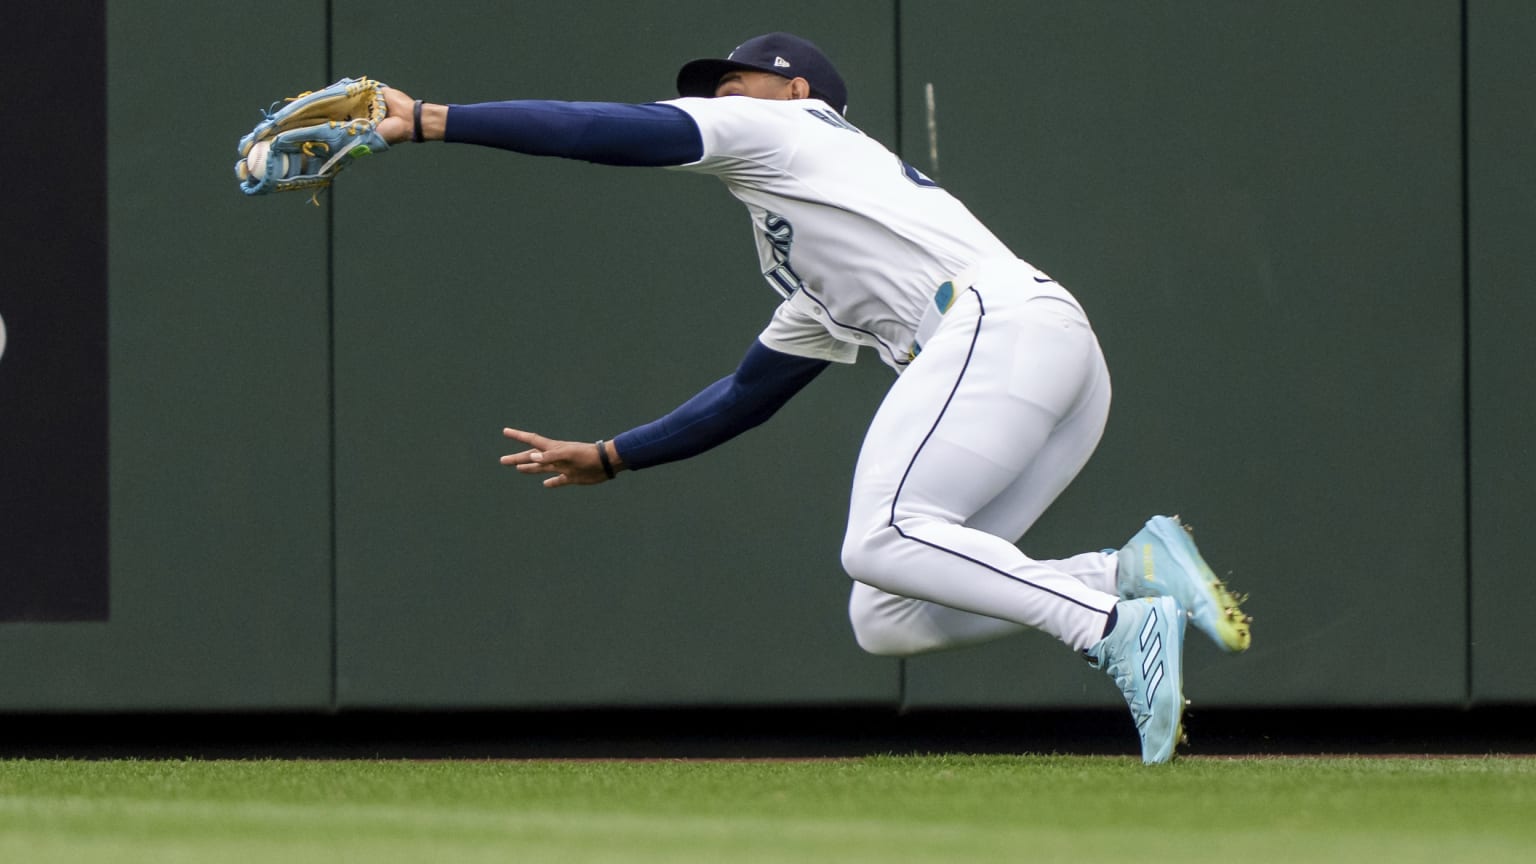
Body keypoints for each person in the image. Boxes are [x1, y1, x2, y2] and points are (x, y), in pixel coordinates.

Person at [373, 32, 1251, 763]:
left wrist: (431, 122)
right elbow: (749, 391)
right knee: (887, 613)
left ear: (795, 91)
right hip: (1046, 353)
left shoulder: (788, 131)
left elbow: (601, 130)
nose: (722, 90)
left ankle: (1105, 627)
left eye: (738, 78)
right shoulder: (814, 239)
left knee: (881, 536)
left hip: (999, 326)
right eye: (717, 86)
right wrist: (613, 455)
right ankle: (1124, 574)